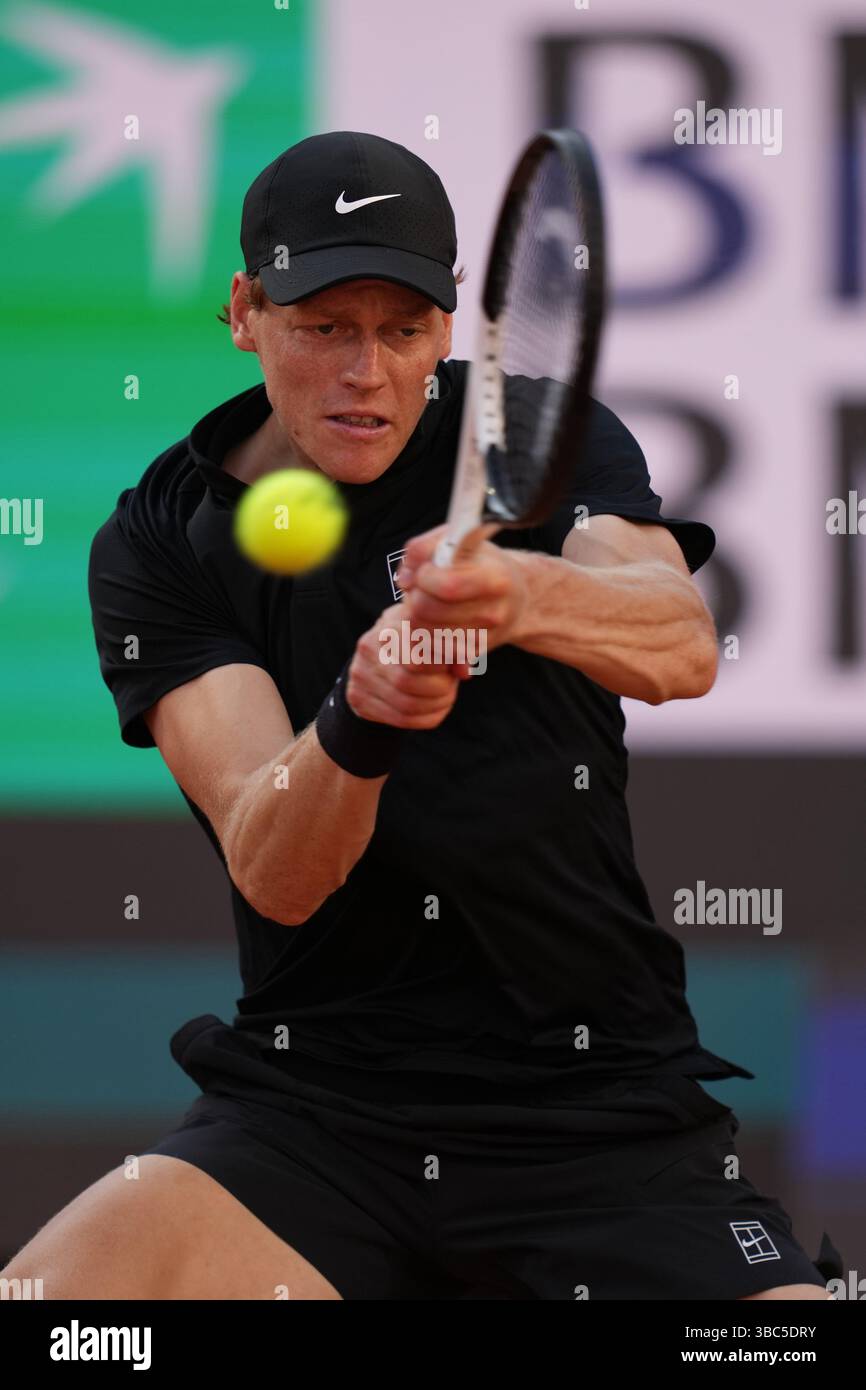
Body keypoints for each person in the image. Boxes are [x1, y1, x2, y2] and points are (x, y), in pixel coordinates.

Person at [2, 131, 841, 1300]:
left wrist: (516, 592)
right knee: (62, 1307)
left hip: (598, 1117)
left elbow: (674, 643)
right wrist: (363, 716)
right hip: (317, 1111)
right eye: (325, 326)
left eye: (402, 330)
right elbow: (274, 863)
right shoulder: (157, 544)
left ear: (448, 329)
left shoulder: (546, 441)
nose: (367, 371)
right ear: (244, 310)